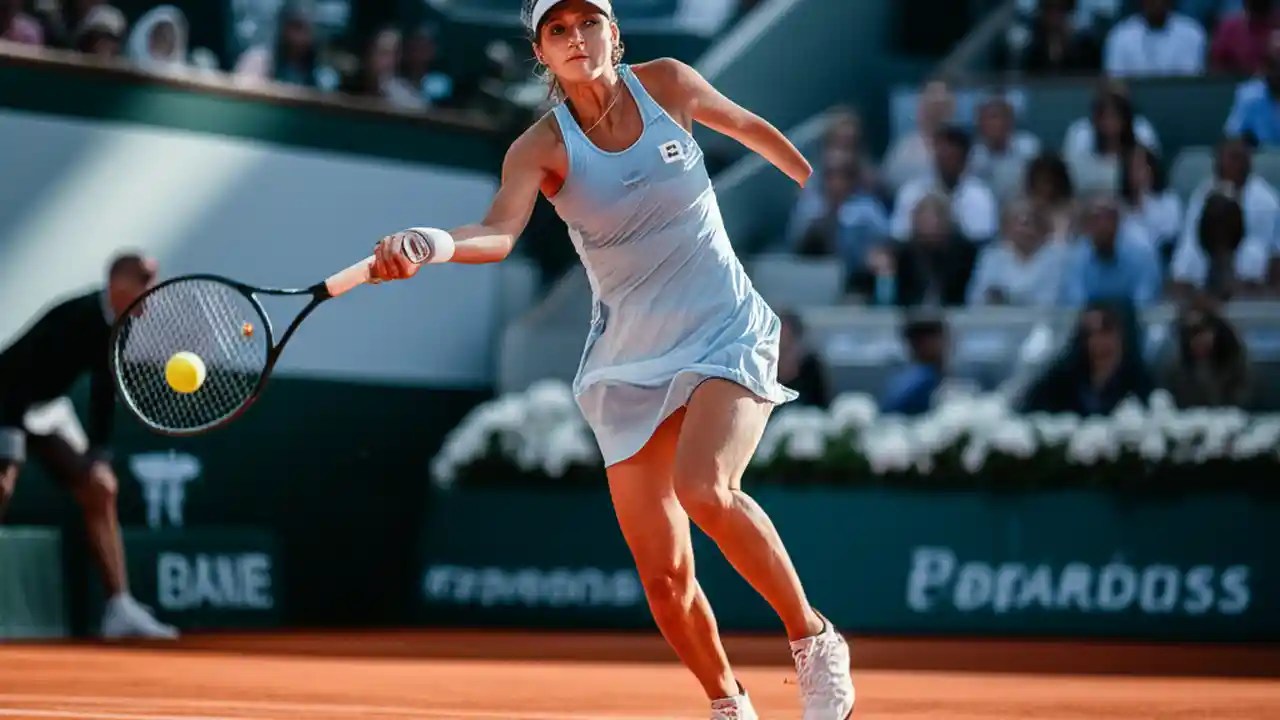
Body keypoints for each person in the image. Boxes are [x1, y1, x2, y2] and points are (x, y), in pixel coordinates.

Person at [369, 2, 855, 718]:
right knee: (664, 578)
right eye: (557, 31)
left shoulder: (669, 84)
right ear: (542, 53)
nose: (576, 39)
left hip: (725, 326)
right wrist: (435, 244)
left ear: (613, 33)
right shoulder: (539, 147)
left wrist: (823, 190)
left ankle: (813, 641)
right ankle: (728, 704)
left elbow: (748, 128)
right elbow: (499, 232)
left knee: (705, 489)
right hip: (628, 360)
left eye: (587, 22)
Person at [0, 252, 178, 640]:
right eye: (144, 281)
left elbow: (104, 388)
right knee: (1, 487)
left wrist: (98, 451)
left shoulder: (120, 322)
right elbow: (18, 377)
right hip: (7, 398)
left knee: (101, 486)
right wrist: (11, 447)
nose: (152, 292)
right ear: (118, 285)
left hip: (47, 408)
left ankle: (119, 608)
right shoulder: (74, 316)